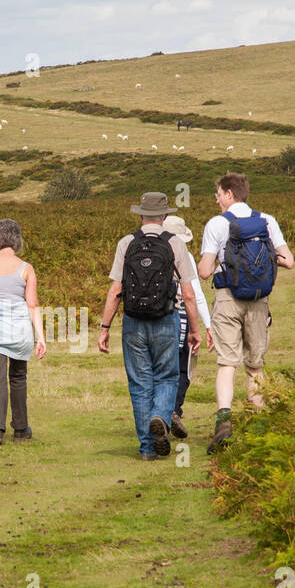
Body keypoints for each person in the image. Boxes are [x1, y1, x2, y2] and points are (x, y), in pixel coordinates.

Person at [98, 192, 201, 460]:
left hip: (133, 322)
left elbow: (115, 290)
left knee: (140, 383)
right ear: (165, 216)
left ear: (141, 215)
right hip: (165, 319)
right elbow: (189, 295)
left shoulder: (126, 242)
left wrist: (104, 327)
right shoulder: (176, 243)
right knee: (167, 377)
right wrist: (194, 330)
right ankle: (160, 416)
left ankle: (147, 448)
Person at [197, 173, 294, 453]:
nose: (216, 199)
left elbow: (204, 271)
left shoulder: (216, 224)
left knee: (227, 363)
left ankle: (224, 422)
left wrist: (216, 259)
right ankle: (258, 424)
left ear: (229, 194)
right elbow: (289, 261)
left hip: (227, 298)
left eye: (218, 194)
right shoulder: (267, 221)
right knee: (255, 365)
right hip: (258, 299)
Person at [0, 219, 46, 445]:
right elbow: (32, 305)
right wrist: (40, 337)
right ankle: (21, 429)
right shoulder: (26, 268)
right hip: (19, 330)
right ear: (17, 240)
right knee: (18, 377)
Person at [161, 214, 212, 440]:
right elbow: (195, 296)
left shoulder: (151, 249)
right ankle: (173, 410)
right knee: (183, 369)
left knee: (159, 371)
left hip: (152, 320)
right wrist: (205, 327)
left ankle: (158, 415)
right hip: (179, 319)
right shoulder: (185, 256)